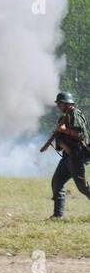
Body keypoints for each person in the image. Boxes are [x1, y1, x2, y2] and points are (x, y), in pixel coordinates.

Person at [47, 90, 90, 219]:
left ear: (66, 103)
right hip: (67, 156)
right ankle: (57, 216)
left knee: (83, 188)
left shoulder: (75, 114)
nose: (58, 106)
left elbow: (81, 135)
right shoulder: (65, 116)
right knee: (57, 182)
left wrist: (65, 130)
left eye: (60, 103)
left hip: (76, 156)